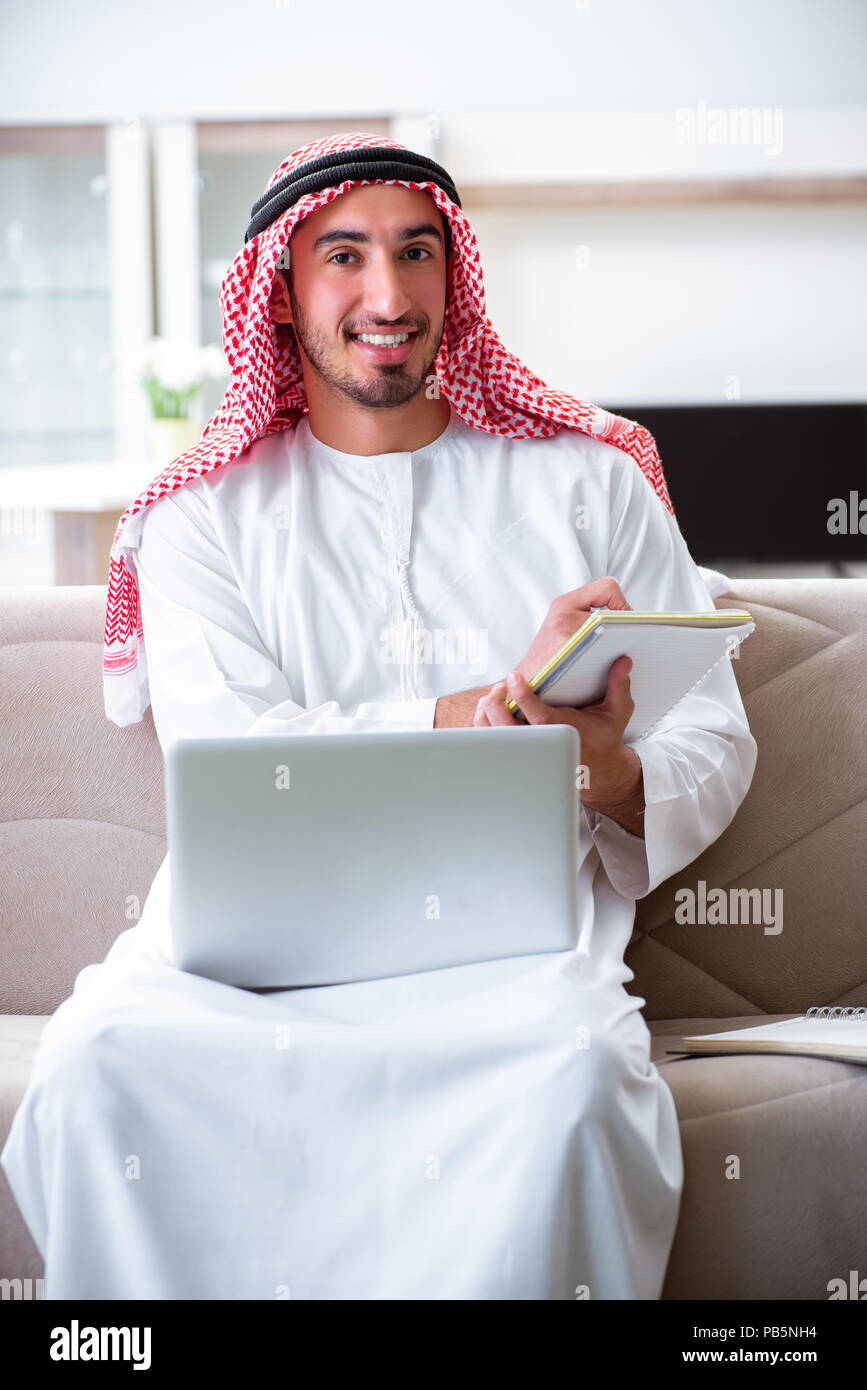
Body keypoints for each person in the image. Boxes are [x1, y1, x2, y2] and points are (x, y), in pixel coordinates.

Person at [0, 131, 756, 1300]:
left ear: (455, 278)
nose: (388, 296)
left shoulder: (589, 483)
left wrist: (605, 771)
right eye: (342, 256)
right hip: (235, 974)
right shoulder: (201, 521)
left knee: (574, 1081)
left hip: (510, 970)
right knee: (95, 1064)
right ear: (283, 290)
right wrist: (468, 719)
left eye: (416, 253)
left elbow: (712, 728)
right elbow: (230, 754)